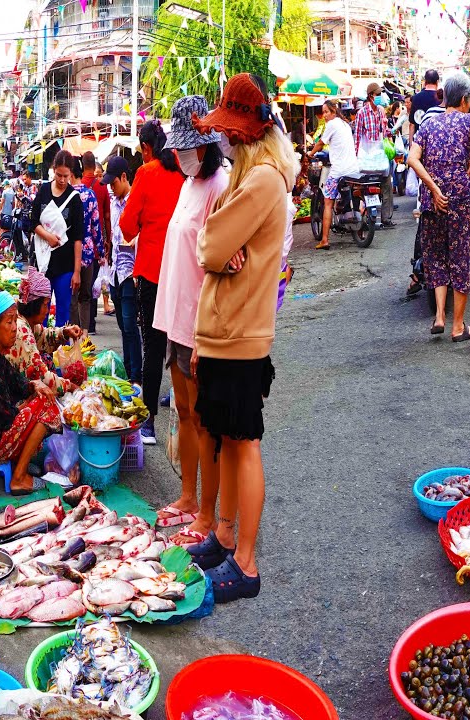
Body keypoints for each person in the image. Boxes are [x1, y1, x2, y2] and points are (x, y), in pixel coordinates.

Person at [180, 73, 295, 603]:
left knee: (244, 443)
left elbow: (209, 247)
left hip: (242, 332)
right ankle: (225, 536)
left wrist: (221, 252)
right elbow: (215, 246)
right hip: (225, 331)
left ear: (249, 134)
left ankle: (245, 564)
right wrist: (221, 250)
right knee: (227, 437)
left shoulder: (264, 181)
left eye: (230, 133)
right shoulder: (248, 179)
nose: (224, 142)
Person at [153, 94, 227, 543]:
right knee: (183, 411)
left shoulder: (219, 186)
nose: (179, 156)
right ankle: (188, 497)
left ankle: (207, 512)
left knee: (204, 419)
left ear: (204, 145)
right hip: (174, 317)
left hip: (199, 323)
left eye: (185, 147)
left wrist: (204, 335)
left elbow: (218, 265)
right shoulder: (189, 184)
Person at [408, 71, 470, 341]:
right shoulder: (467, 121)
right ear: (466, 99)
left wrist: (433, 188)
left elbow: (412, 159)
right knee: (461, 259)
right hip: (461, 200)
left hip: (433, 203)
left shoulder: (429, 124)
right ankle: (458, 327)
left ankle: (439, 317)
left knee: (436, 257)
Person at [120, 120, 185, 446]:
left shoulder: (146, 173)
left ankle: (148, 425)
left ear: (146, 148)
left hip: (151, 272)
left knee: (153, 346)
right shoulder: (183, 170)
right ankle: (180, 403)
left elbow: (127, 226)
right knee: (182, 341)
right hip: (183, 270)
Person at [0, 287, 60, 495]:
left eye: (15, 320)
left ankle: (18, 465)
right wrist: (26, 409)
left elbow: (17, 382)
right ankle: (18, 477)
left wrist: (34, 385)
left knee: (39, 396)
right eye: (9, 322)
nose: (15, 328)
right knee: (47, 407)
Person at [32, 150, 85, 326]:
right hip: (43, 263)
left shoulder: (74, 199)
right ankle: (42, 352)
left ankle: (62, 352)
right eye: (59, 175)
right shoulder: (44, 191)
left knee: (63, 312)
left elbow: (78, 237)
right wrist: (47, 236)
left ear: (71, 173)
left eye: (66, 176)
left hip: (66, 265)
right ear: (53, 170)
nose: (62, 180)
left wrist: (77, 271)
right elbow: (32, 222)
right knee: (41, 312)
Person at [9, 267, 82, 395]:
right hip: (12, 390)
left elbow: (43, 336)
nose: (47, 310)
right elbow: (41, 376)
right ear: (34, 305)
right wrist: (70, 386)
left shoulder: (28, 322)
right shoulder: (21, 330)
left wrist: (64, 332)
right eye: (45, 304)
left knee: (46, 358)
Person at [103, 155, 142, 383]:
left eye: (113, 183)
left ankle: (136, 376)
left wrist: (136, 241)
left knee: (129, 325)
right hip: (116, 271)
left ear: (124, 177)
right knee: (121, 325)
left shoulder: (136, 200)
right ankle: (128, 372)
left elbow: (144, 231)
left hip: (130, 272)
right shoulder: (113, 201)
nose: (111, 187)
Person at [309, 99, 360, 250]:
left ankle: (324, 240)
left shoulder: (332, 124)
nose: (324, 115)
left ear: (333, 112)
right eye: (323, 112)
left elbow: (320, 144)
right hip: (353, 169)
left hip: (338, 171)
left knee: (327, 203)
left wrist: (310, 154)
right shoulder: (344, 124)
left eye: (326, 112)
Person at [355, 83, 396, 227]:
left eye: (380, 94)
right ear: (370, 96)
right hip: (367, 157)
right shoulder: (361, 113)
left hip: (379, 155)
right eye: (377, 94)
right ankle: (362, 216)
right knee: (361, 186)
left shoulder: (381, 111)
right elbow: (357, 136)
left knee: (387, 184)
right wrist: (356, 156)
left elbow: (384, 133)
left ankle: (386, 217)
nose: (379, 97)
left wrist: (389, 132)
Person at [74, 152, 105, 333]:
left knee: (72, 297)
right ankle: (85, 335)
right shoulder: (90, 194)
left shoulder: (67, 194)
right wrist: (100, 251)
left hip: (69, 253)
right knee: (85, 297)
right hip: (87, 253)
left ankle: (72, 336)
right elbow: (96, 226)